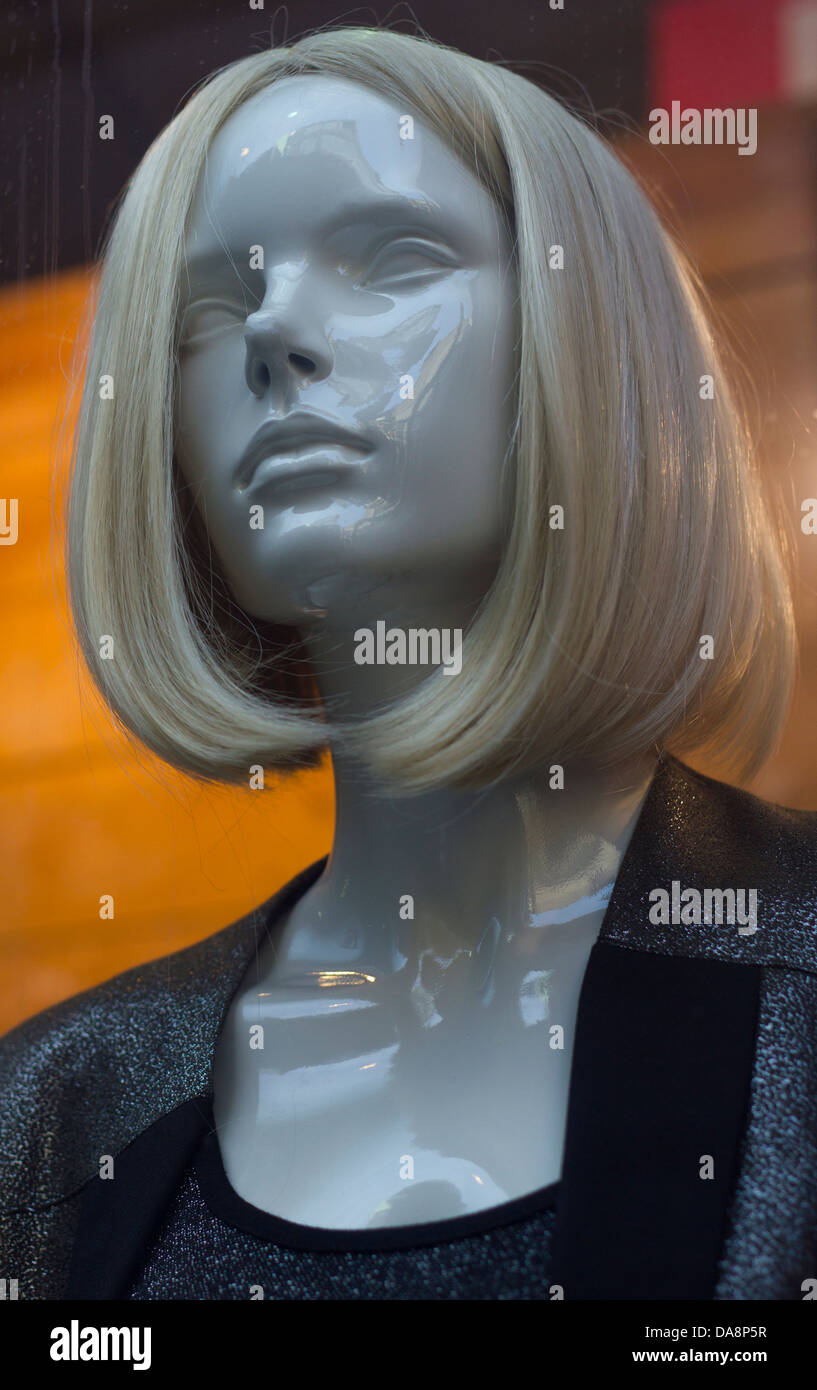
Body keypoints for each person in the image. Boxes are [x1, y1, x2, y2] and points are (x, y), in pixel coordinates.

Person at [2, 26, 815, 1302]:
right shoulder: (52, 1110)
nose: (272, 333)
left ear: (586, 336)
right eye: (213, 308)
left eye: (391, 258)